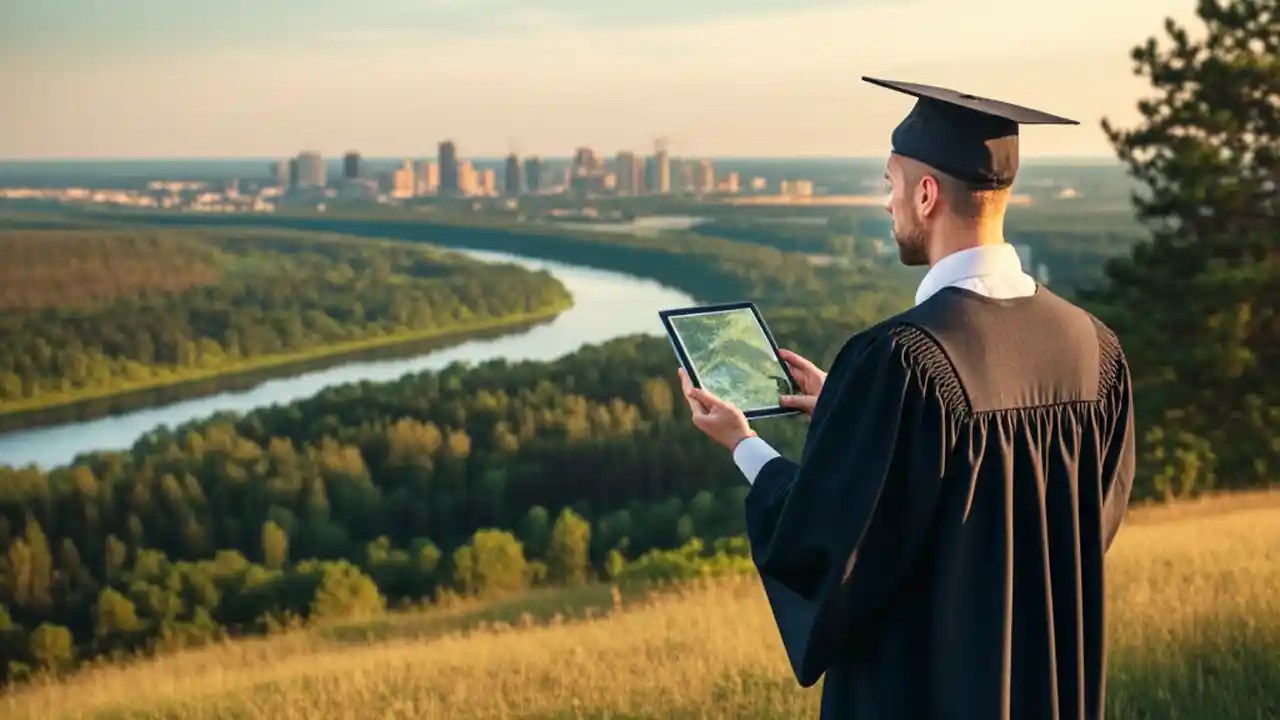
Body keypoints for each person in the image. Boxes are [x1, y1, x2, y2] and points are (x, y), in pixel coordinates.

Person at [678, 77, 1136, 720]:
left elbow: (825, 551)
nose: (885, 202)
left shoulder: (901, 360)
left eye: (891, 183)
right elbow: (1071, 531)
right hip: (1045, 683)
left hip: (926, 689)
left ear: (926, 195)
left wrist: (744, 447)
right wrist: (853, 412)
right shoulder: (1096, 351)